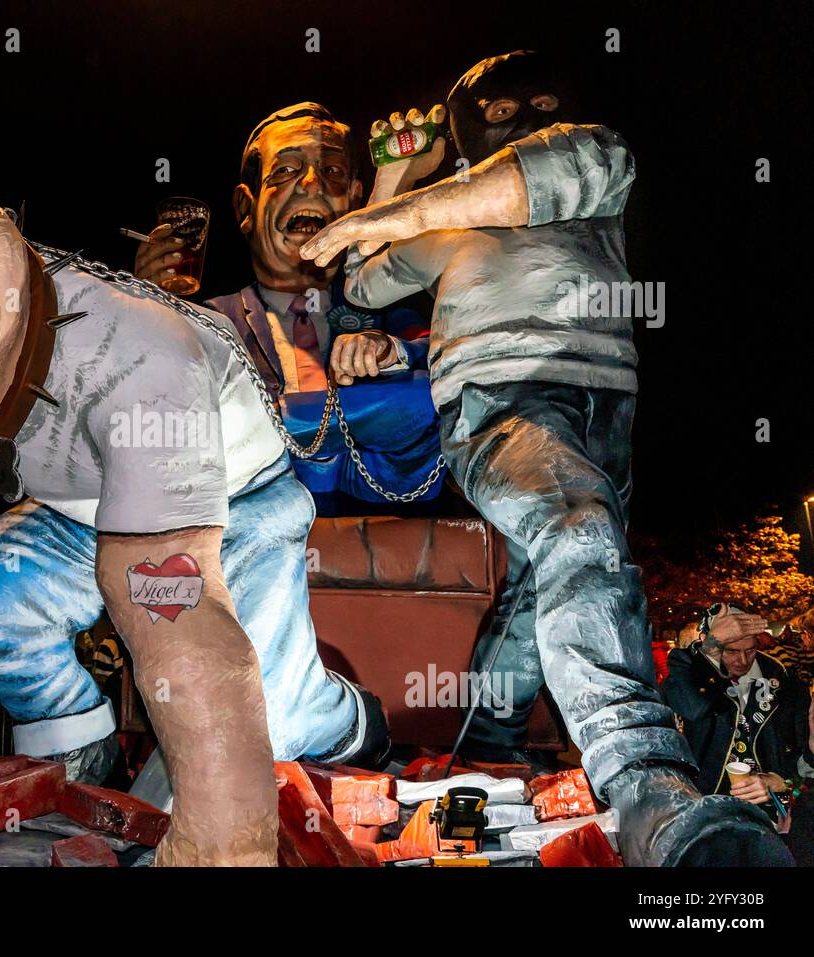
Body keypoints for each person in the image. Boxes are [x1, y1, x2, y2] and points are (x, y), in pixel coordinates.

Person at [0, 1, 390, 866]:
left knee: (266, 705)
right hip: (88, 494)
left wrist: (217, 844)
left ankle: (352, 723)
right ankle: (73, 754)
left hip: (228, 504)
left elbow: (186, 627)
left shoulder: (140, 384)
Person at [300, 50, 791, 865]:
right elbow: (363, 279)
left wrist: (397, 208)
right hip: (501, 395)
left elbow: (527, 180)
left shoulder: (594, 160)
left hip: (603, 397)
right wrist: (391, 183)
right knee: (576, 526)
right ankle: (646, 782)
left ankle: (495, 747)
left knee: (546, 582)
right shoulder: (442, 223)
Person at [137, 102, 443, 513]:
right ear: (246, 209)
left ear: (355, 202)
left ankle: (268, 426)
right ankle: (272, 432)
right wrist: (144, 309)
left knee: (433, 394)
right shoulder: (213, 320)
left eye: (332, 171)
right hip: (254, 492)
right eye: (284, 171)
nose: (312, 184)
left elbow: (443, 361)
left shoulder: (380, 309)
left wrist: (389, 352)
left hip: (375, 482)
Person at [662, 604, 813, 838]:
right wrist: (711, 648)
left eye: (750, 650)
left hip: (769, 814)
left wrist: (781, 781)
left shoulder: (780, 676)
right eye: (731, 650)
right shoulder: (688, 666)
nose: (743, 660)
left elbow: (802, 750)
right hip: (705, 809)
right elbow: (692, 707)